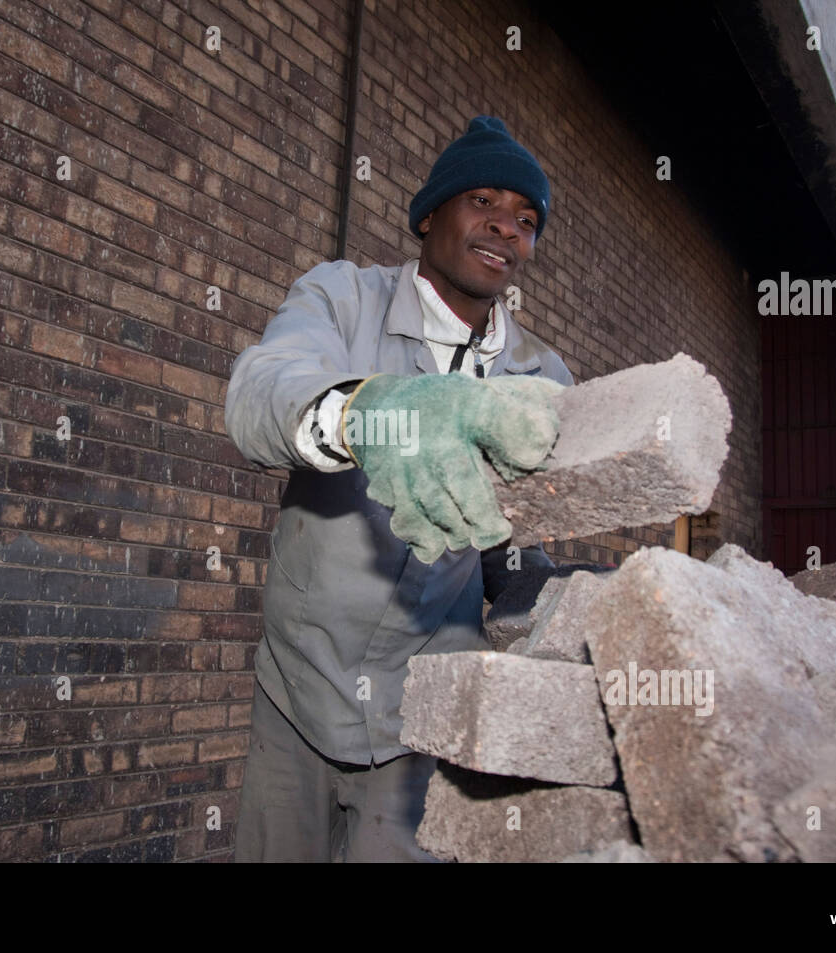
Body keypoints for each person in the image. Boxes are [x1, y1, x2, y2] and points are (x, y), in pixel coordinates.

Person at [224, 116, 574, 862]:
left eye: (525, 219)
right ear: (429, 214)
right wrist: (366, 411)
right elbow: (260, 392)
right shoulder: (343, 299)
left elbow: (504, 542)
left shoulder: (541, 379)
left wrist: (543, 591)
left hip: (421, 713)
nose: (503, 227)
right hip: (300, 688)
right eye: (482, 200)